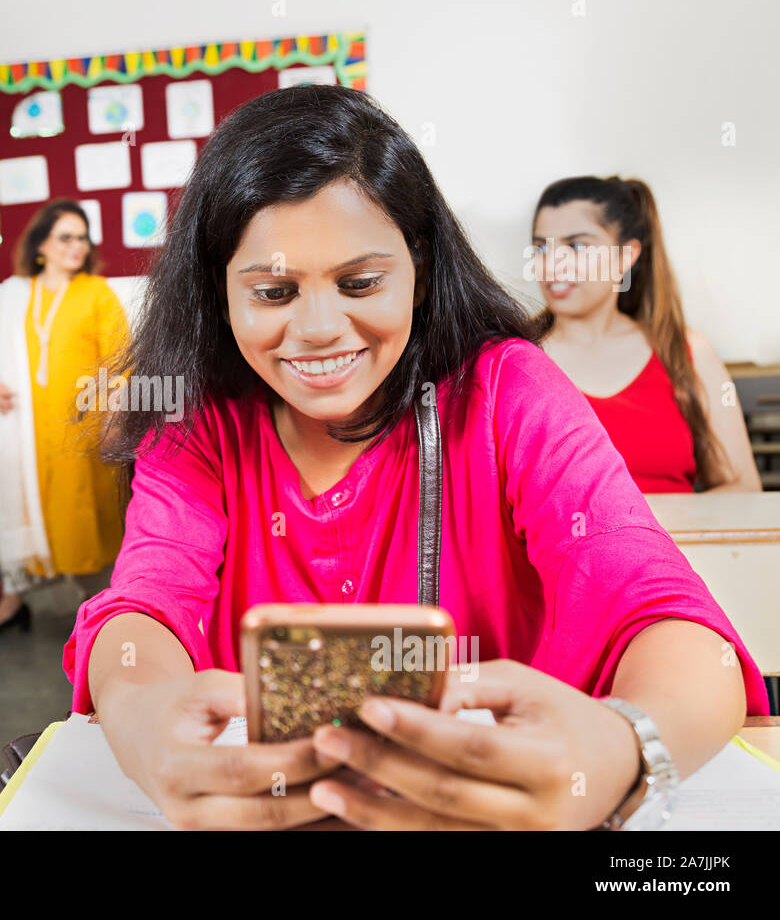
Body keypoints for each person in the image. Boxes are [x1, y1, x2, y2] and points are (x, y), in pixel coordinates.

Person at [65, 85, 769, 831]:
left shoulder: (507, 392)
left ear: (421, 268)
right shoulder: (199, 427)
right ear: (220, 292)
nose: (317, 328)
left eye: (360, 283)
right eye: (273, 291)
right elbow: (145, 604)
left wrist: (626, 749)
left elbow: (670, 618)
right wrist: (144, 724)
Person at [531, 176, 761, 493]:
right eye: (542, 247)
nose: (552, 265)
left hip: (677, 544)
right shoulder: (514, 359)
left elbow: (743, 488)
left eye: (577, 246)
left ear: (626, 256)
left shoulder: (687, 351)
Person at [0, 200, 130, 637]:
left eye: (82, 237)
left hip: (83, 427)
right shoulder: (16, 296)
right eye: (66, 236)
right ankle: (24, 599)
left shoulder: (96, 292)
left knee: (84, 519)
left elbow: (120, 358)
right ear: (41, 243)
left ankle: (104, 609)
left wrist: (115, 417)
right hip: (28, 433)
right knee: (36, 506)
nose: (77, 246)